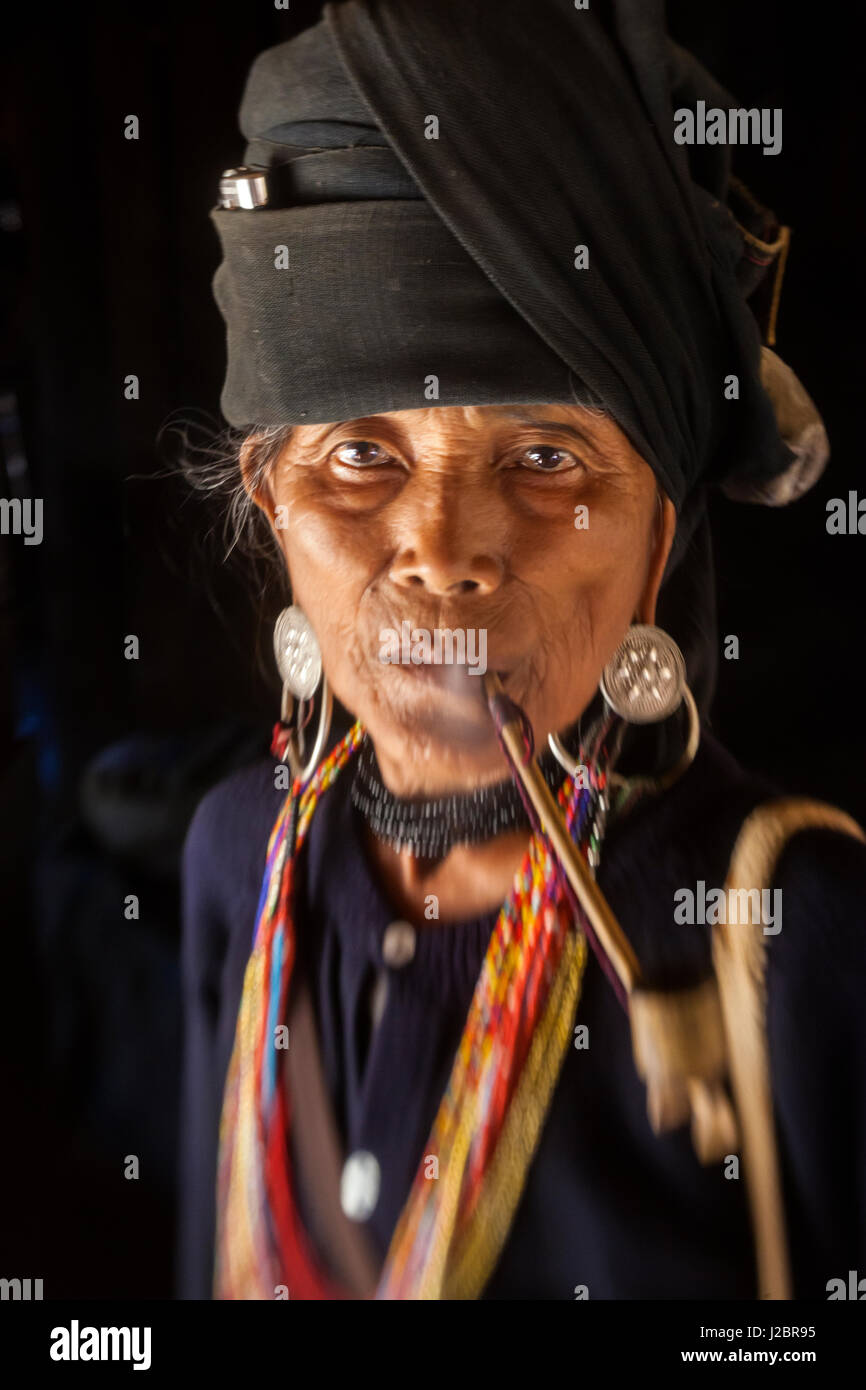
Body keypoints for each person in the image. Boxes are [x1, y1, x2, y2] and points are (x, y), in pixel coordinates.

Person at [177, 0, 866, 1300]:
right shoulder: (238, 857)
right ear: (268, 504)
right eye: (358, 457)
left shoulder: (802, 940)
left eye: (546, 459)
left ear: (659, 529)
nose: (442, 550)